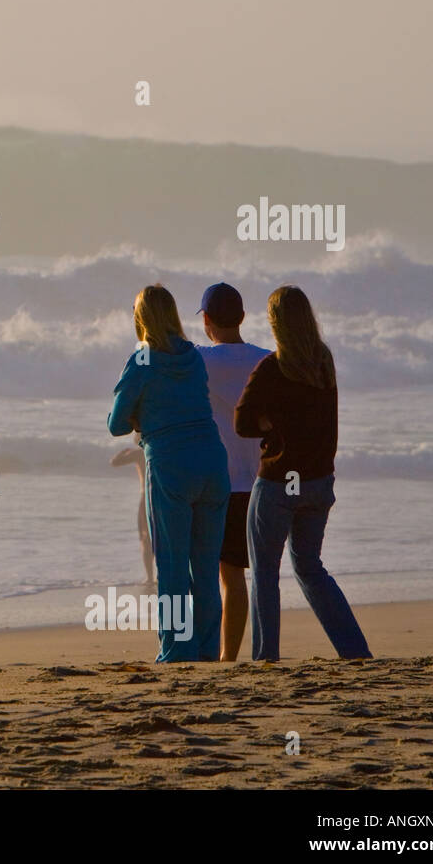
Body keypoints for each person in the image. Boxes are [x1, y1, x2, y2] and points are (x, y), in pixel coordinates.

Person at [234, 286, 372, 661]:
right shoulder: (323, 361)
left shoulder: (273, 367)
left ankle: (266, 657)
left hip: (280, 482)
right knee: (310, 567)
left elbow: (242, 421)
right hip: (318, 481)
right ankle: (354, 651)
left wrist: (271, 427)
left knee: (265, 571)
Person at [108, 284, 230, 662]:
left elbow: (115, 424)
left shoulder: (143, 358)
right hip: (212, 462)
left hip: (171, 468)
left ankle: (177, 650)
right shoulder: (193, 355)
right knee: (207, 566)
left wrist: (138, 416)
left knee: (173, 566)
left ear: (141, 318)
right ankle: (209, 650)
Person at [195, 283, 270, 661]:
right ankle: (259, 650)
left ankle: (228, 657)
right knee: (259, 573)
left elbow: (165, 348)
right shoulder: (268, 358)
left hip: (223, 482)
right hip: (265, 480)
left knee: (229, 576)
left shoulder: (202, 360)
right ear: (242, 317)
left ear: (206, 320)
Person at [110, 437, 154, 584]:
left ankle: (149, 576)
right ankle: (159, 574)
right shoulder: (160, 449)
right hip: (162, 495)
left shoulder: (138, 453)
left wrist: (123, 452)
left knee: (145, 538)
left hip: (146, 497)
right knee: (160, 537)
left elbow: (114, 462)